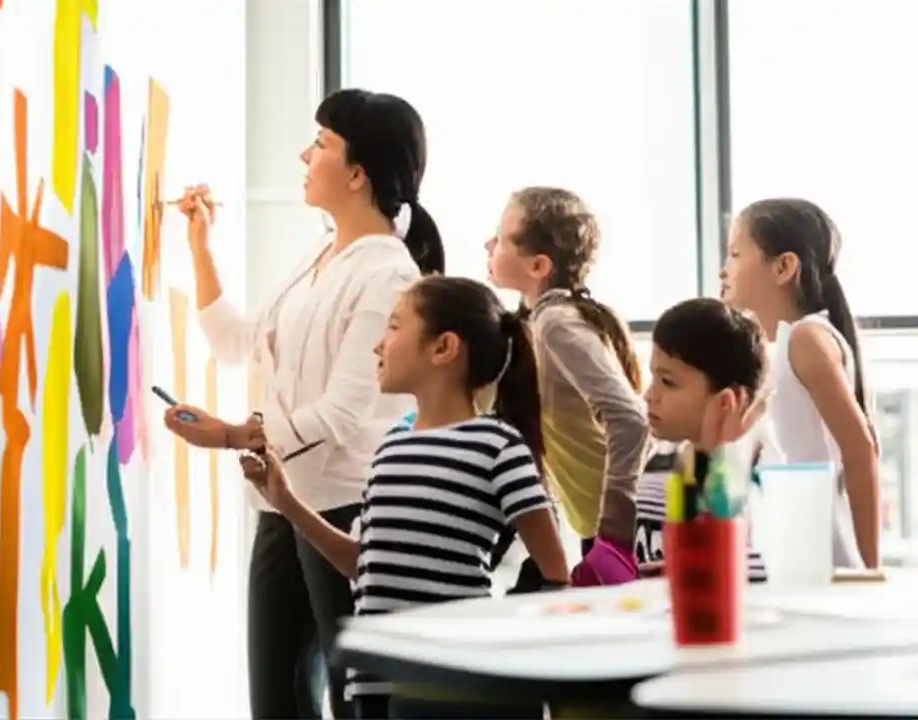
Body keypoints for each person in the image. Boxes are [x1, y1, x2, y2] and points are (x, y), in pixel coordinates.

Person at [163, 88, 445, 719]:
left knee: (353, 705)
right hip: (280, 502)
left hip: (342, 511)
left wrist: (234, 435)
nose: (303, 154)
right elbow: (237, 343)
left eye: (320, 143)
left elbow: (341, 416)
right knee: (276, 703)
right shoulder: (320, 256)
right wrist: (201, 246)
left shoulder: (389, 274)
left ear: (357, 173)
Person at [240, 276, 569, 719]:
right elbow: (364, 565)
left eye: (393, 327)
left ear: (443, 348)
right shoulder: (390, 449)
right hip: (377, 675)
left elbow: (555, 571)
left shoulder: (496, 444)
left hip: (450, 676)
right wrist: (288, 503)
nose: (378, 346)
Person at [483, 187, 651, 586]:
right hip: (595, 523)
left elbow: (630, 418)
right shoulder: (536, 323)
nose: (488, 243)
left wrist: (615, 519)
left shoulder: (556, 323)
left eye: (502, 237)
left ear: (539, 265)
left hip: (623, 529)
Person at [720, 198, 880, 569]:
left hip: (822, 550)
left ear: (783, 267)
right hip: (792, 542)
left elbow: (861, 450)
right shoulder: (780, 346)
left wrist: (872, 569)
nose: (724, 269)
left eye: (735, 254)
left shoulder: (806, 339)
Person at [640, 298, 772, 580]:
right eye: (653, 377)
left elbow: (754, 579)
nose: (649, 395)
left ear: (725, 402)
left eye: (668, 382)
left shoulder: (758, 489)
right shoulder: (659, 466)